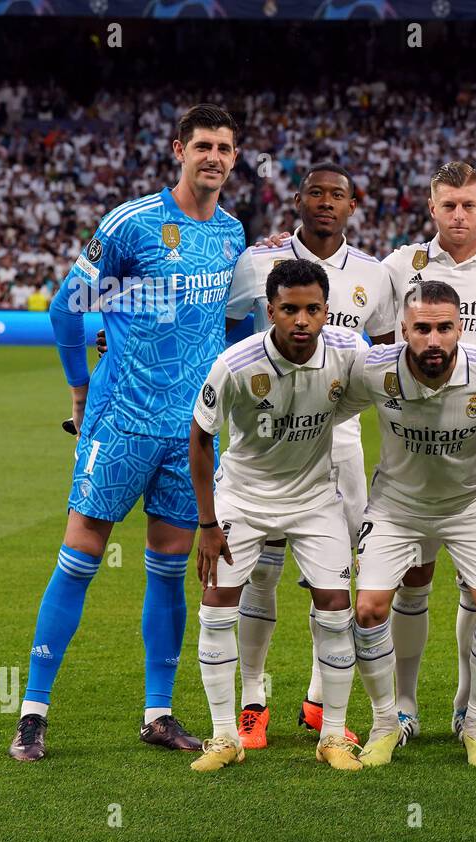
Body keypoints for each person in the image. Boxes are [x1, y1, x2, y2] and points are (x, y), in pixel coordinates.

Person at [10, 104, 247, 761]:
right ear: (179, 149)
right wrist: (80, 390)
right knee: (79, 557)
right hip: (120, 421)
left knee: (170, 570)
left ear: (235, 157)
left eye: (226, 147)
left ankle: (159, 712)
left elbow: (225, 325)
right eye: (203, 144)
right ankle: (33, 713)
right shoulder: (132, 223)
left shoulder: (232, 234)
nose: (215, 157)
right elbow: (66, 307)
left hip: (189, 434)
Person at [224, 162, 395, 750]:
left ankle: (321, 702)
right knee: (260, 574)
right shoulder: (257, 262)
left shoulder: (374, 274)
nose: (326, 203)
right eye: (315, 193)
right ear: (297, 199)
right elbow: (224, 338)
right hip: (264, 440)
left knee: (337, 576)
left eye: (337, 195)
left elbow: (388, 357)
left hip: (337, 439)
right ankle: (252, 702)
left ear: (353, 205)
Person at [378, 161, 476, 744]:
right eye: (449, 205)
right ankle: (404, 703)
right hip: (416, 457)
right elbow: (367, 334)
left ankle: (468, 708)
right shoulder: (399, 266)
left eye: (469, 205)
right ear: (432, 208)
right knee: (413, 580)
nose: (459, 215)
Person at [188, 259, 362, 772]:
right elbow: (200, 437)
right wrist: (206, 523)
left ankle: (332, 735)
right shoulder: (236, 365)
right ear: (269, 311)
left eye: (313, 309)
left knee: (335, 606)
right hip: (243, 499)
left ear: (328, 310)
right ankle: (223, 738)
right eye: (289, 310)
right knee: (217, 604)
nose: (302, 320)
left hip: (314, 500)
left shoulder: (349, 355)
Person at [343, 280, 476, 769]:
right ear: (403, 329)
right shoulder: (372, 369)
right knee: (368, 609)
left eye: (445, 327)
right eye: (422, 328)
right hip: (396, 507)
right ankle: (388, 720)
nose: (434, 339)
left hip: (471, 505)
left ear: (460, 327)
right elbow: (325, 404)